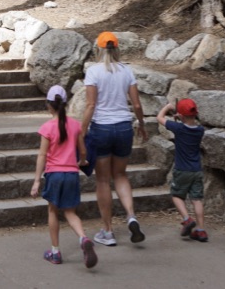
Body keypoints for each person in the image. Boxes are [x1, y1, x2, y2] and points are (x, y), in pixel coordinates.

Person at [81, 31, 148, 247]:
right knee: (120, 174)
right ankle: (131, 216)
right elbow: (137, 105)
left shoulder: (93, 72)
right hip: (124, 128)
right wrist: (142, 125)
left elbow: (91, 105)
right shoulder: (127, 71)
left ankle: (108, 231)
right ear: (117, 48)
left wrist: (81, 132)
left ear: (98, 49)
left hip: (101, 128)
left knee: (102, 180)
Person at [30, 85, 98, 269]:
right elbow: (83, 150)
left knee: (53, 211)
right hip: (71, 174)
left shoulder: (47, 128)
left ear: (49, 106)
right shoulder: (75, 125)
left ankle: (55, 251)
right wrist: (82, 161)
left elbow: (42, 155)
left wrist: (37, 180)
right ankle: (83, 238)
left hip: (54, 174)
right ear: (65, 104)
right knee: (70, 212)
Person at [157, 98, 209, 242]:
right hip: (197, 170)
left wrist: (168, 107)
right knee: (197, 199)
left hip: (182, 170)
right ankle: (201, 230)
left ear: (181, 115)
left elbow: (159, 118)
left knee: (176, 195)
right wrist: (180, 118)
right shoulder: (200, 130)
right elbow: (189, 126)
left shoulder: (178, 128)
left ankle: (187, 219)